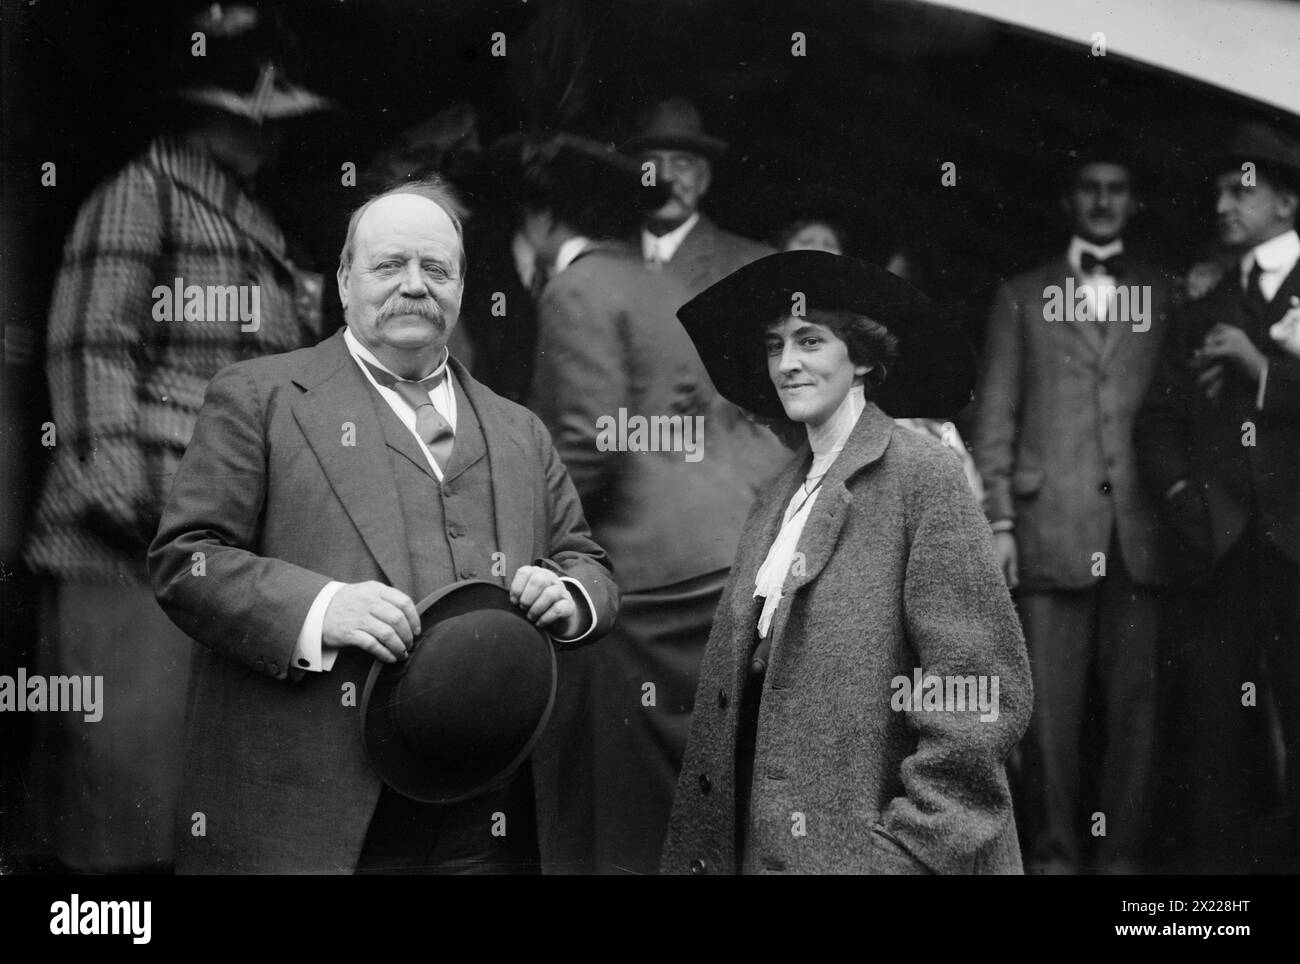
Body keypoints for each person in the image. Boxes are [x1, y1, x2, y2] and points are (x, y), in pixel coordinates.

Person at [148, 176, 619, 874]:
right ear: (343, 281)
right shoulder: (259, 397)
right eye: (388, 265)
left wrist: (571, 596)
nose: (415, 285)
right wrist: (321, 607)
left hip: (482, 823)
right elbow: (185, 561)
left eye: (436, 269)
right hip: (315, 821)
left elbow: (586, 559)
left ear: (461, 287)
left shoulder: (520, 429)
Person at [21, 3, 329, 872]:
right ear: (215, 116)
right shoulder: (140, 196)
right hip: (128, 551)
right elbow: (90, 352)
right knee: (127, 793)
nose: (274, 139)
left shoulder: (243, 219)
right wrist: (143, 511)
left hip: (206, 550)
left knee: (188, 797)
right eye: (259, 119)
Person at [661, 251, 1032, 874]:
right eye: (775, 345)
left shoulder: (923, 478)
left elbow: (979, 691)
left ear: (862, 357)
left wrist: (908, 849)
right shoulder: (780, 496)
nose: (787, 363)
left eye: (810, 340)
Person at [513, 133, 788, 874]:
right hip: (717, 557)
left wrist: (517, 545)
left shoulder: (575, 287)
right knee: (685, 793)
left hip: (642, 576)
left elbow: (588, 444)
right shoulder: (662, 285)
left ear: (538, 223)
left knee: (619, 800)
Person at [972, 145, 1175, 874]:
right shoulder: (1022, 293)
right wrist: (998, 522)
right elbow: (994, 418)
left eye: (1116, 189)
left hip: (1140, 534)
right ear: (1069, 201)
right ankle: (1055, 859)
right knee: (1048, 718)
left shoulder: (1164, 290)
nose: (1102, 201)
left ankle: (1119, 865)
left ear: (1132, 202)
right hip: (1048, 527)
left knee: (1136, 718)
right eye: (1089, 189)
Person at [1136, 121, 1300, 870]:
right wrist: (1182, 499)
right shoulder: (1204, 302)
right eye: (1217, 191)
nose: (1223, 204)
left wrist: (1259, 366)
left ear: (1287, 203)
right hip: (1220, 547)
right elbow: (1159, 417)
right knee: (1212, 734)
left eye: (1242, 188)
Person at [625, 96, 772, 302]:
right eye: (651, 164)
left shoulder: (753, 264)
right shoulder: (602, 260)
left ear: (702, 178)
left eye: (681, 163)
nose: (666, 176)